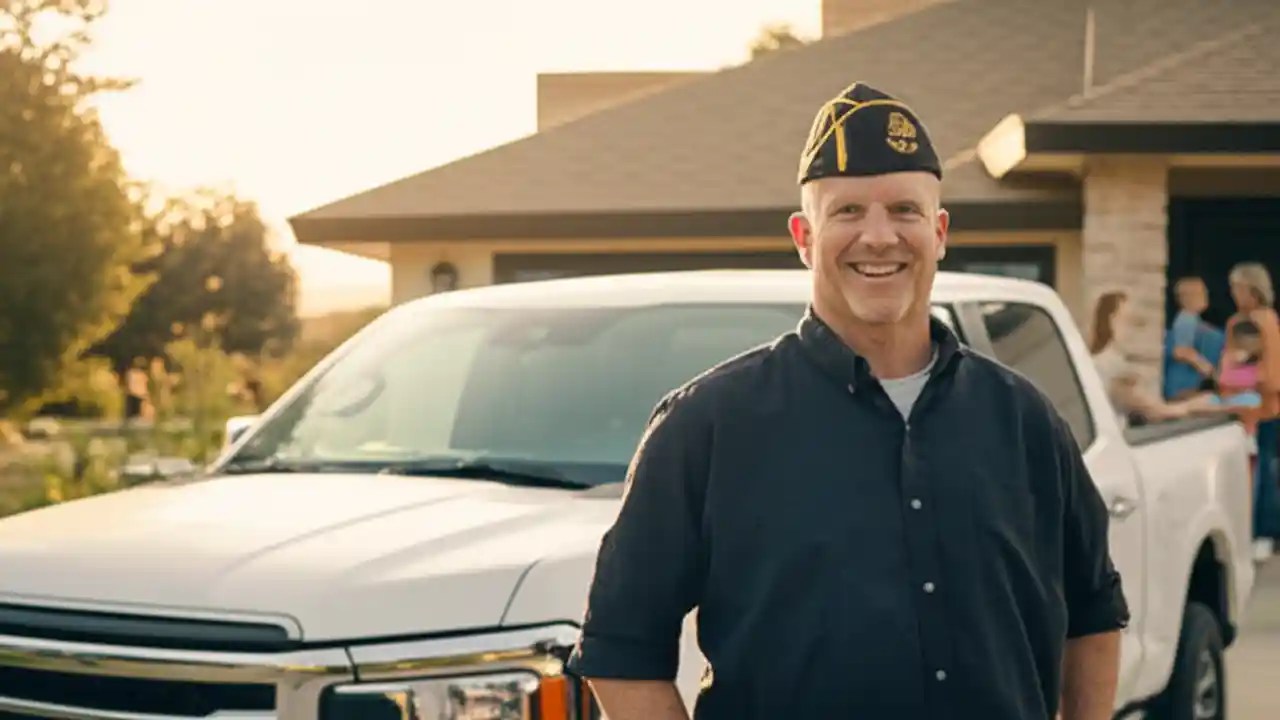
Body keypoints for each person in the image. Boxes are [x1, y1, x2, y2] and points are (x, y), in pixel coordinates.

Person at [567, 82, 1129, 720]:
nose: (880, 236)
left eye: (904, 210)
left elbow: (1094, 611)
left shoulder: (1026, 422)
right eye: (849, 211)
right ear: (804, 236)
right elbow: (621, 649)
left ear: (939, 231)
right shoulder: (708, 428)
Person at [1089, 291, 1221, 424]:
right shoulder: (1110, 366)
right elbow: (1156, 411)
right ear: (1111, 322)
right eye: (1129, 321)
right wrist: (1194, 405)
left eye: (1137, 323)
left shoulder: (1105, 362)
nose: (1135, 331)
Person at [1224, 261, 1280, 560]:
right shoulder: (1237, 322)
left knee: (1264, 474)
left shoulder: (1264, 321)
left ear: (1253, 289)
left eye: (1238, 288)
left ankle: (1265, 533)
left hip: (1264, 412)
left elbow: (1270, 374)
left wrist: (1240, 376)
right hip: (1241, 410)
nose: (1234, 293)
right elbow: (1229, 370)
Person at [1163, 276, 1224, 400]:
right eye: (1201, 292)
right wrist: (1206, 367)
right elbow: (1181, 351)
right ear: (1186, 297)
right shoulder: (1186, 320)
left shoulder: (1191, 321)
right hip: (1184, 386)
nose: (1206, 294)